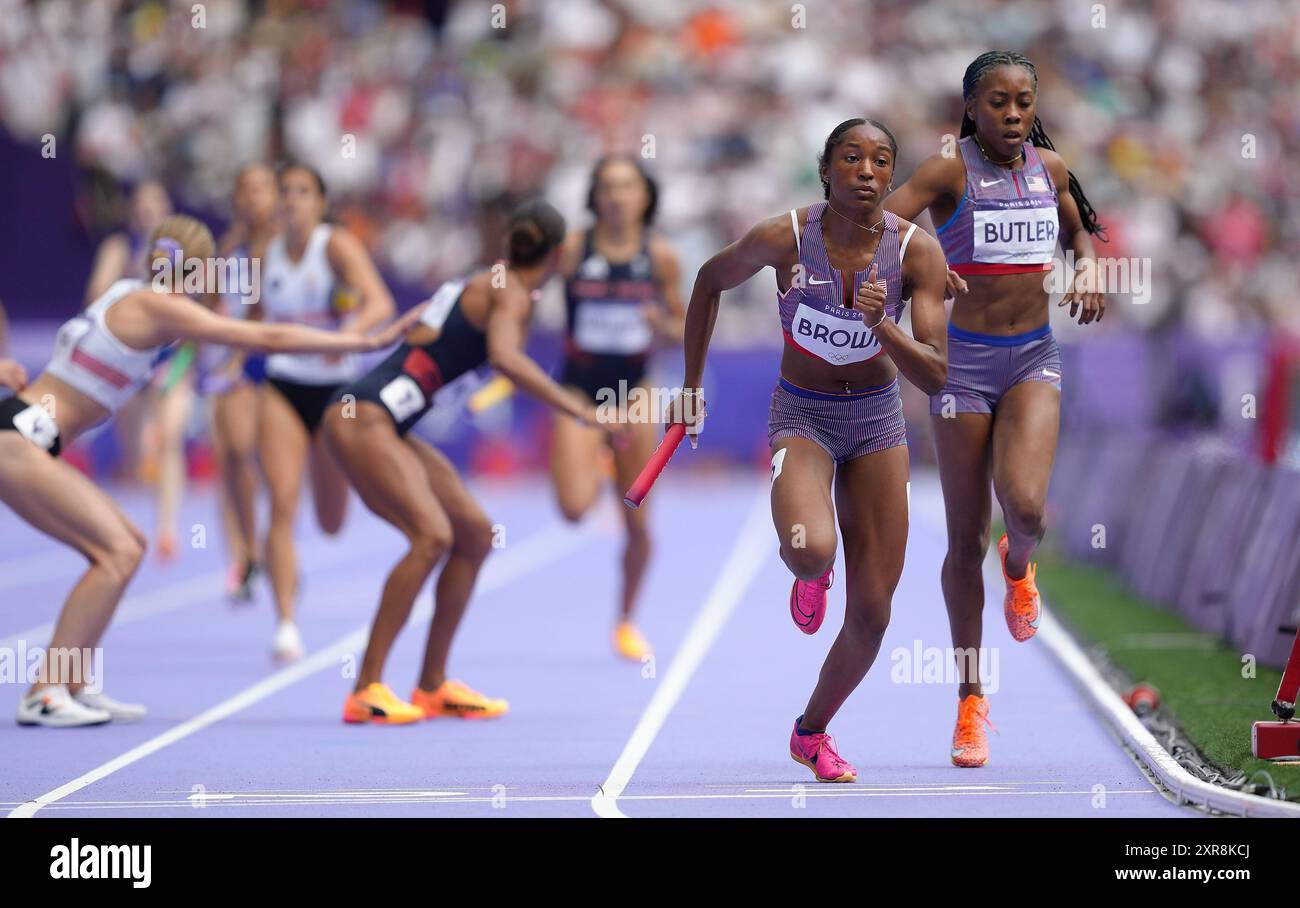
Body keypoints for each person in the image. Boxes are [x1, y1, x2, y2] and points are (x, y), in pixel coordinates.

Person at [0, 215, 421, 727]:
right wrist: (365, 343)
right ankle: (45, 692)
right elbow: (267, 338)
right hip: (21, 439)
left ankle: (69, 682)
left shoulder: (129, 293)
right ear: (196, 270)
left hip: (22, 430)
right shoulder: (162, 308)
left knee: (124, 547)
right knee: (117, 551)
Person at [675, 119, 948, 781]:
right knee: (810, 546)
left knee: (874, 614)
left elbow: (939, 374)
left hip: (878, 424)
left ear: (891, 176)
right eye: (851, 158)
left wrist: (882, 324)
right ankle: (809, 574)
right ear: (826, 169)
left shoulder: (916, 253)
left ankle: (811, 732)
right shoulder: (785, 238)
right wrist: (689, 387)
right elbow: (709, 282)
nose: (866, 171)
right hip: (804, 415)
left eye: (881, 162)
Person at [884, 50, 1106, 767]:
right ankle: (971, 704)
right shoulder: (951, 169)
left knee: (1029, 511)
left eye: (1023, 102)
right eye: (998, 103)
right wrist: (921, 257)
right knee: (964, 540)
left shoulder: (1052, 171)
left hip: (1032, 356)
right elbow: (885, 221)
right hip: (961, 369)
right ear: (972, 108)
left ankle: (1022, 568)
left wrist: (1090, 265)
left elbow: (1077, 227)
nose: (1013, 115)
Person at [323, 200, 620, 725]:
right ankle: (366, 687)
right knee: (430, 536)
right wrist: (581, 411)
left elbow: (426, 336)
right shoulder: (511, 294)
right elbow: (506, 358)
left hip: (382, 419)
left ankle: (433, 685)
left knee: (475, 534)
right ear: (554, 254)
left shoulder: (480, 282)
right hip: (365, 417)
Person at [257, 163, 396, 661]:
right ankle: (286, 621)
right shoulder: (265, 252)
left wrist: (348, 335)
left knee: (332, 521)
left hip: (336, 391)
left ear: (320, 201)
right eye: (285, 191)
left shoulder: (335, 245)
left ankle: (290, 571)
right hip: (282, 384)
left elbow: (380, 301)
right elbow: (250, 321)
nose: (292, 200)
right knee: (281, 500)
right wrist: (225, 360)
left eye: (302, 192)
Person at [551, 155, 684, 661]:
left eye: (626, 186)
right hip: (580, 393)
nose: (616, 196)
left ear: (644, 196)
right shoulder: (571, 250)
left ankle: (626, 620)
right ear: (594, 195)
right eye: (606, 186)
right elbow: (527, 289)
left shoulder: (661, 257)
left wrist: (661, 323)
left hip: (634, 394)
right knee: (572, 509)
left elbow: (681, 326)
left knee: (637, 519)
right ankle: (599, 456)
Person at [203, 163, 279, 601]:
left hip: (272, 358)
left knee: (265, 460)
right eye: (245, 190)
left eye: (261, 189)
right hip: (232, 361)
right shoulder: (228, 247)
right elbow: (210, 307)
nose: (253, 198)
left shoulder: (284, 245)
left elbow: (261, 310)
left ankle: (270, 546)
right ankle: (245, 555)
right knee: (232, 454)